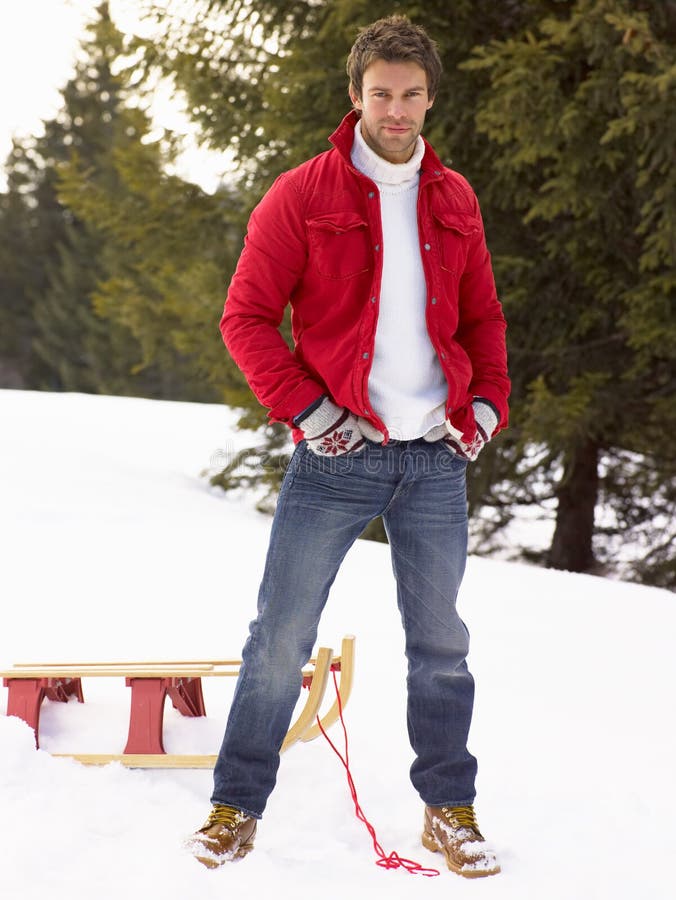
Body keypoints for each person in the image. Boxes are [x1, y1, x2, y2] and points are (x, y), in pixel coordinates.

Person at [187, 15, 509, 878]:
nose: (395, 110)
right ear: (356, 95)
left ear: (430, 98)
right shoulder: (303, 194)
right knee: (280, 638)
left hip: (435, 458)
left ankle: (449, 810)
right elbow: (246, 317)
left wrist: (485, 404)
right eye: (381, 94)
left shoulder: (455, 198)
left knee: (442, 647)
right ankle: (234, 807)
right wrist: (311, 412)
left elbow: (482, 317)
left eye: (411, 94)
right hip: (337, 456)